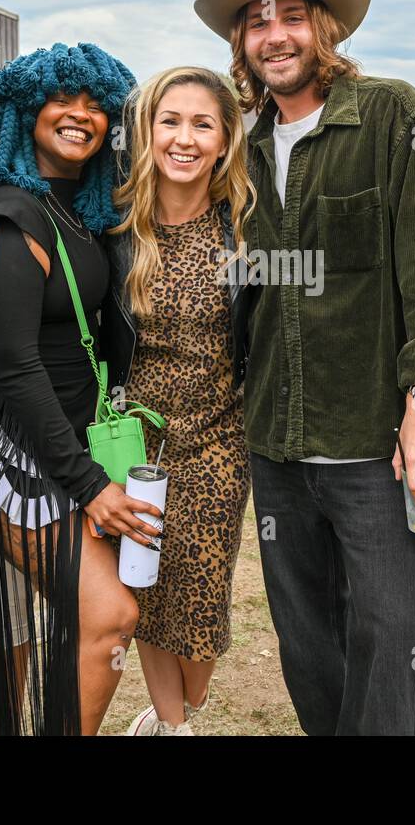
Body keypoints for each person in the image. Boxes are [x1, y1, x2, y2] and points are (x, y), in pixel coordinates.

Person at [193, 0, 415, 735]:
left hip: (372, 444)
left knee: (388, 637)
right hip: (276, 446)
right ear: (240, 44)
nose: (274, 34)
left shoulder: (397, 117)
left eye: (292, 15)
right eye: (256, 22)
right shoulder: (243, 149)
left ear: (325, 29)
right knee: (307, 642)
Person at [0, 43, 152, 736]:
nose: (81, 115)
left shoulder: (79, 207)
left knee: (7, 621)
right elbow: (16, 366)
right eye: (64, 99)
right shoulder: (9, 215)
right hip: (0, 441)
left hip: (54, 436)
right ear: (26, 109)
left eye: (97, 104)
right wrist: (89, 483)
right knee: (108, 615)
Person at [102, 66, 257, 736]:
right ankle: (173, 727)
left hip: (219, 442)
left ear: (224, 141)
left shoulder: (245, 234)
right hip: (136, 449)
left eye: (202, 124)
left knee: (198, 612)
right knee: (143, 593)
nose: (185, 138)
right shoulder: (115, 228)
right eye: (171, 121)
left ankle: (181, 704)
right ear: (148, 131)